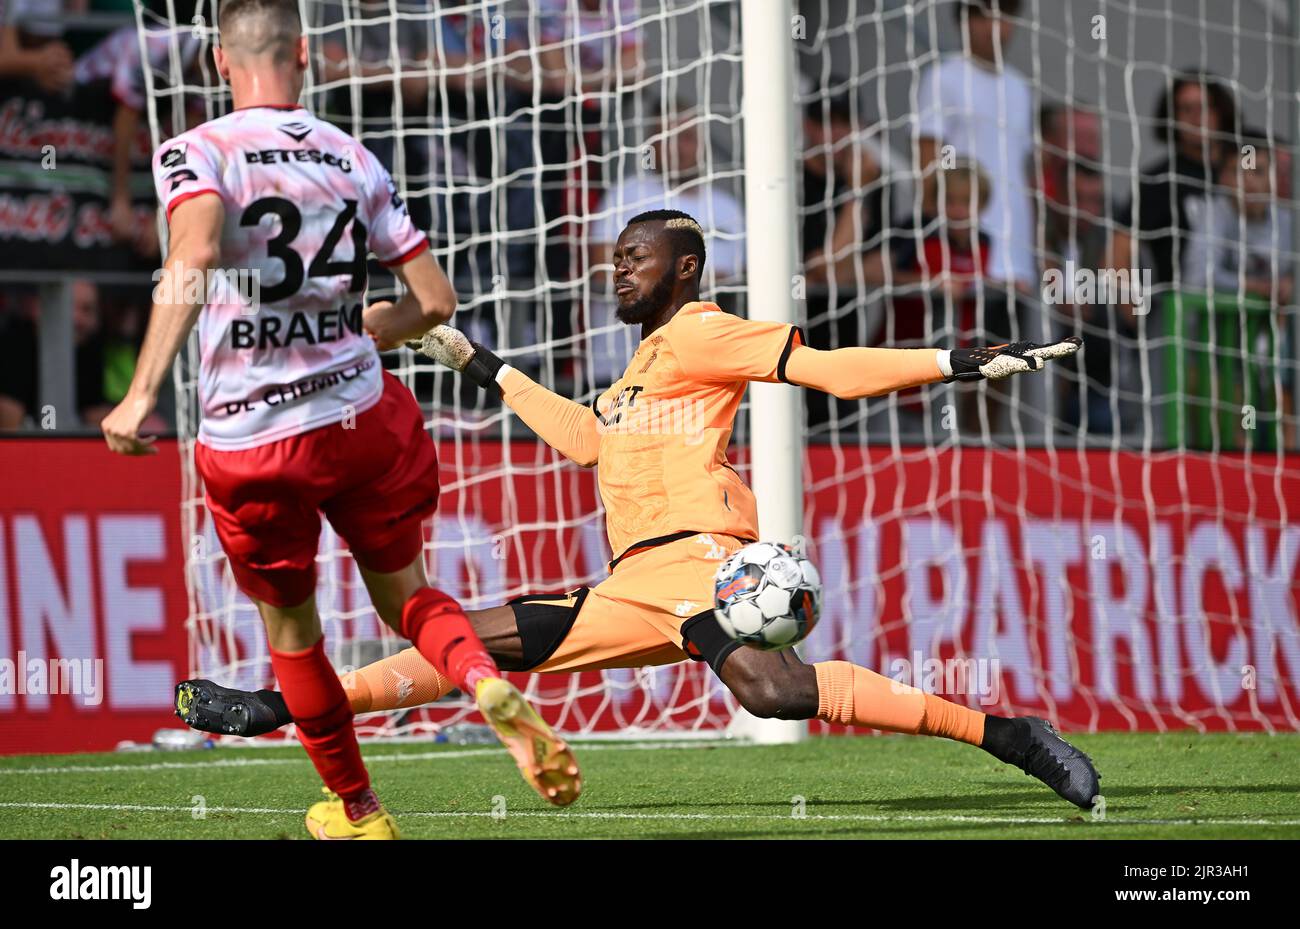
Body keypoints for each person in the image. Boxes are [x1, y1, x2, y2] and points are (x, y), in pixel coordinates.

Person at [176, 208, 1103, 811]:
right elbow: (588, 439)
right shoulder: (635, 376)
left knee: (774, 693)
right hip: (633, 584)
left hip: (702, 559)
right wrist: (482, 365)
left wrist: (952, 361)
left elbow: (826, 369)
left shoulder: (704, 333)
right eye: (614, 259)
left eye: (635, 258)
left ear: (685, 266)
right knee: (469, 641)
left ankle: (1013, 737)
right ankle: (275, 705)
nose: (617, 271)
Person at [100, 0, 579, 840]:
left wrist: (141, 391)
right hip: (360, 419)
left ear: (219, 62)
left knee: (294, 629)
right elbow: (435, 302)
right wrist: (370, 330)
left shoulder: (198, 150)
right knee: (411, 598)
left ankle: (360, 809)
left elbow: (196, 252)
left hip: (252, 439)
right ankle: (479, 681)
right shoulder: (352, 156)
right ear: (308, 56)